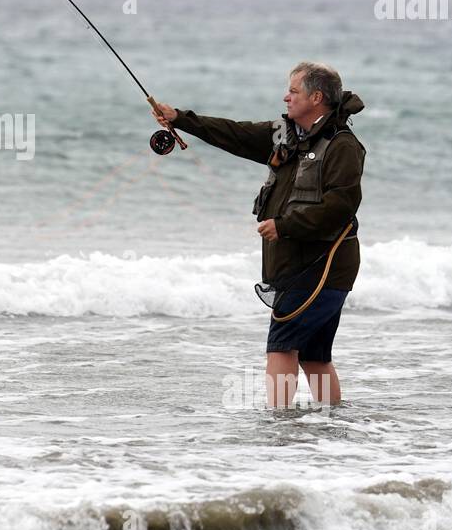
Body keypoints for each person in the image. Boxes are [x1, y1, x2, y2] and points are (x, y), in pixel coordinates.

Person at [152, 61, 365, 409]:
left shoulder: (343, 146)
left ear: (316, 96)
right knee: (314, 354)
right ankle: (334, 422)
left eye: (293, 91)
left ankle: (277, 423)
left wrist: (284, 226)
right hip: (299, 266)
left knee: (281, 346)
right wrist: (180, 119)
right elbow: (233, 134)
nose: (286, 97)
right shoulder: (285, 137)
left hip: (321, 266)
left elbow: (340, 207)